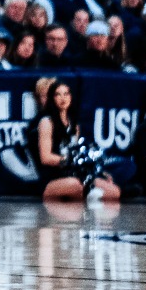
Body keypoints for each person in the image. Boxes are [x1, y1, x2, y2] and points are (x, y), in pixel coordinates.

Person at [32, 76, 119, 205]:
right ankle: (88, 207)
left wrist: (96, 171)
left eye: (66, 94)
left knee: (114, 191)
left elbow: (77, 153)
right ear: (52, 98)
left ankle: (90, 212)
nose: (63, 98)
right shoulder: (46, 122)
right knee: (77, 185)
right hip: (53, 177)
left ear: (71, 97)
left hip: (74, 174)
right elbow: (45, 158)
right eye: (58, 95)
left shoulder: (74, 125)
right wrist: (72, 161)